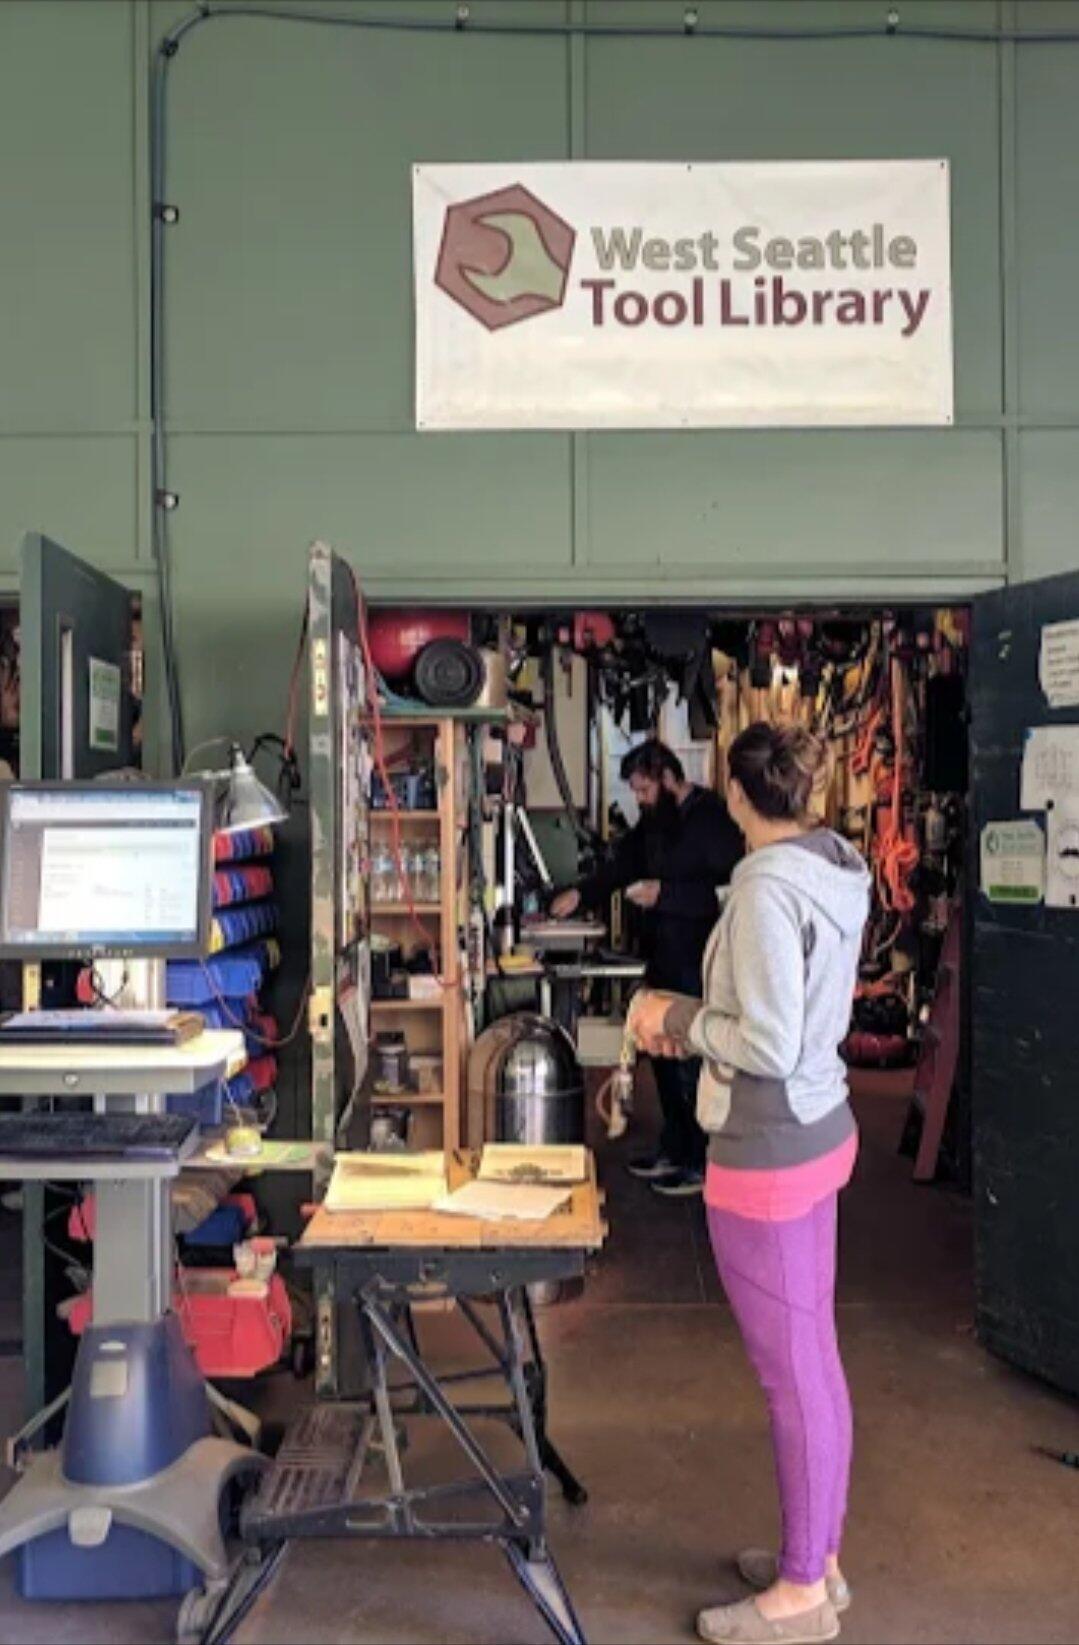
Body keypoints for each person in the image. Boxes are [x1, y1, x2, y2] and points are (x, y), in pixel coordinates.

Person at [629, 723, 870, 1645]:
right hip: (819, 1127)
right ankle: (821, 1555)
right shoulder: (832, 863)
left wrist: (674, 1017)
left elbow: (763, 1040)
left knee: (790, 1377)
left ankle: (802, 1591)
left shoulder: (769, 888)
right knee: (813, 1360)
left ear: (735, 795)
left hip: (768, 1147)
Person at [551, 738, 742, 1197]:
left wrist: (667, 896)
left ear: (669, 778)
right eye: (634, 792)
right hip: (662, 953)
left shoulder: (711, 821)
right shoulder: (657, 821)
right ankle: (673, 1147)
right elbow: (624, 863)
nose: (638, 800)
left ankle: (699, 1160)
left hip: (700, 959)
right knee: (660, 1055)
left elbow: (730, 892)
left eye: (643, 790)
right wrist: (581, 894)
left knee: (691, 1061)